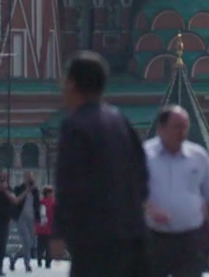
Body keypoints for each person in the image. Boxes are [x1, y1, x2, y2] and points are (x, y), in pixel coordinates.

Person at [53, 51, 147, 277]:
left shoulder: (75, 125)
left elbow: (69, 183)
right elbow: (142, 175)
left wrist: (58, 232)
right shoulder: (120, 121)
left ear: (72, 84)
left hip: (93, 239)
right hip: (130, 235)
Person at [143, 104, 209, 277]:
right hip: (153, 237)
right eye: (176, 127)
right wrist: (150, 208)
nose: (182, 132)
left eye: (185, 127)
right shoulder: (145, 155)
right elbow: (131, 192)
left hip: (190, 238)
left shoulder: (198, 156)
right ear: (161, 128)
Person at [9, 173, 40, 272]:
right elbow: (16, 201)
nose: (30, 181)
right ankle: (27, 264)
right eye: (28, 179)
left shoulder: (35, 191)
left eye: (32, 179)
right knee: (26, 240)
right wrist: (27, 190)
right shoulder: (19, 189)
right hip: (21, 217)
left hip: (31, 219)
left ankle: (14, 258)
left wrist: (38, 219)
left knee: (30, 243)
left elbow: (37, 206)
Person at [33, 185, 54, 268]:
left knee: (41, 246)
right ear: (47, 193)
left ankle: (40, 259)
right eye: (50, 192)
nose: (52, 194)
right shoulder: (49, 202)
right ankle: (47, 262)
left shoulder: (42, 202)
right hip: (46, 228)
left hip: (43, 228)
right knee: (47, 246)